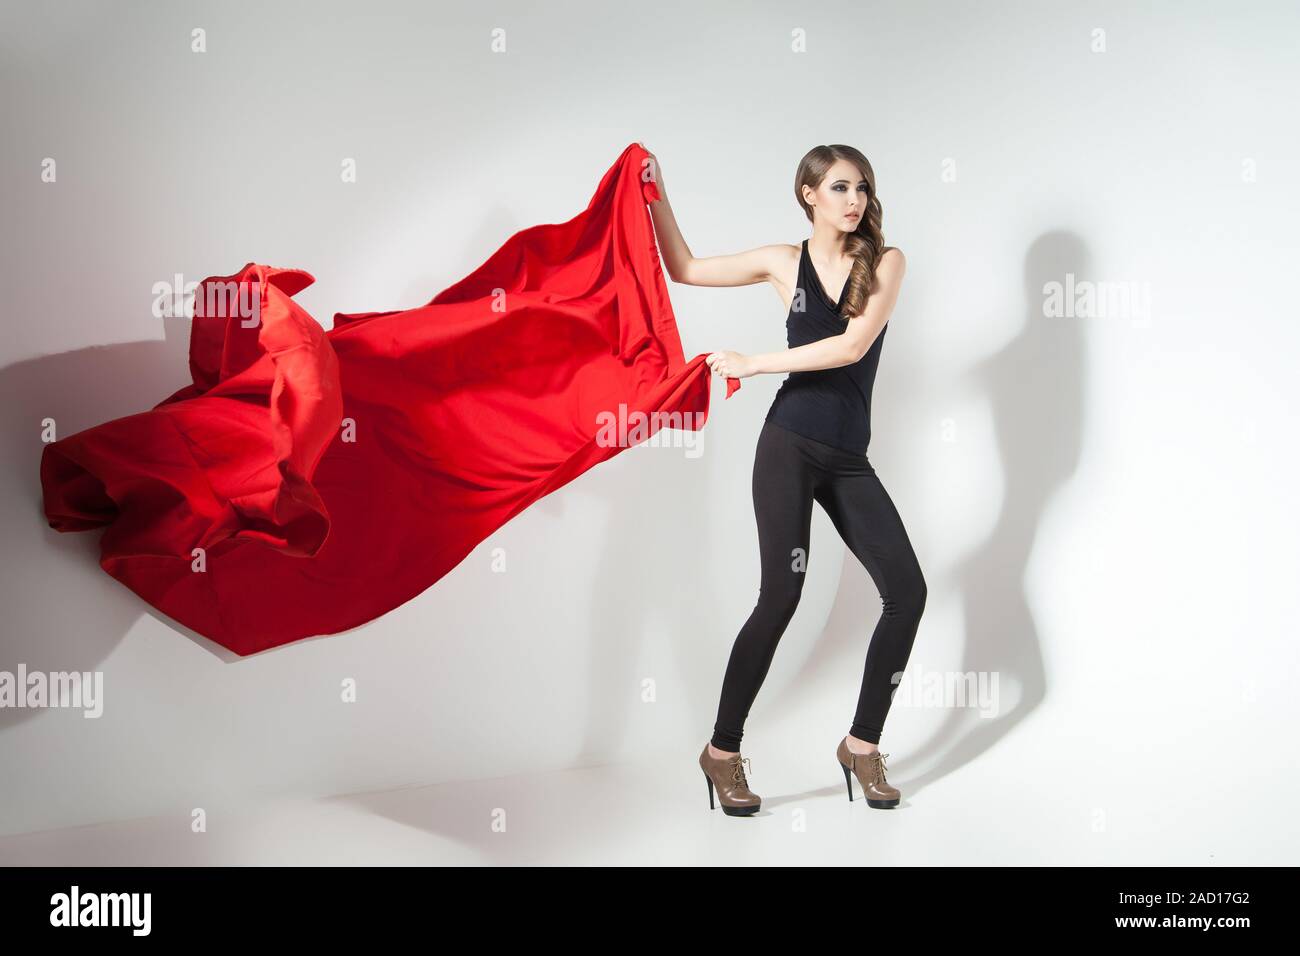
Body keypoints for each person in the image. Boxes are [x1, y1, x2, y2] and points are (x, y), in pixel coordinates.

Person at [643, 143, 926, 815]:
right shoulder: (783, 261)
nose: (853, 200)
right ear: (808, 194)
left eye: (861, 188)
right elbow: (682, 268)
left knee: (906, 592)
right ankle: (722, 753)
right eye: (838, 188)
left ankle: (862, 744)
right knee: (781, 598)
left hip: (847, 457)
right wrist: (654, 192)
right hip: (790, 447)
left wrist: (754, 362)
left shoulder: (885, 262)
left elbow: (852, 345)